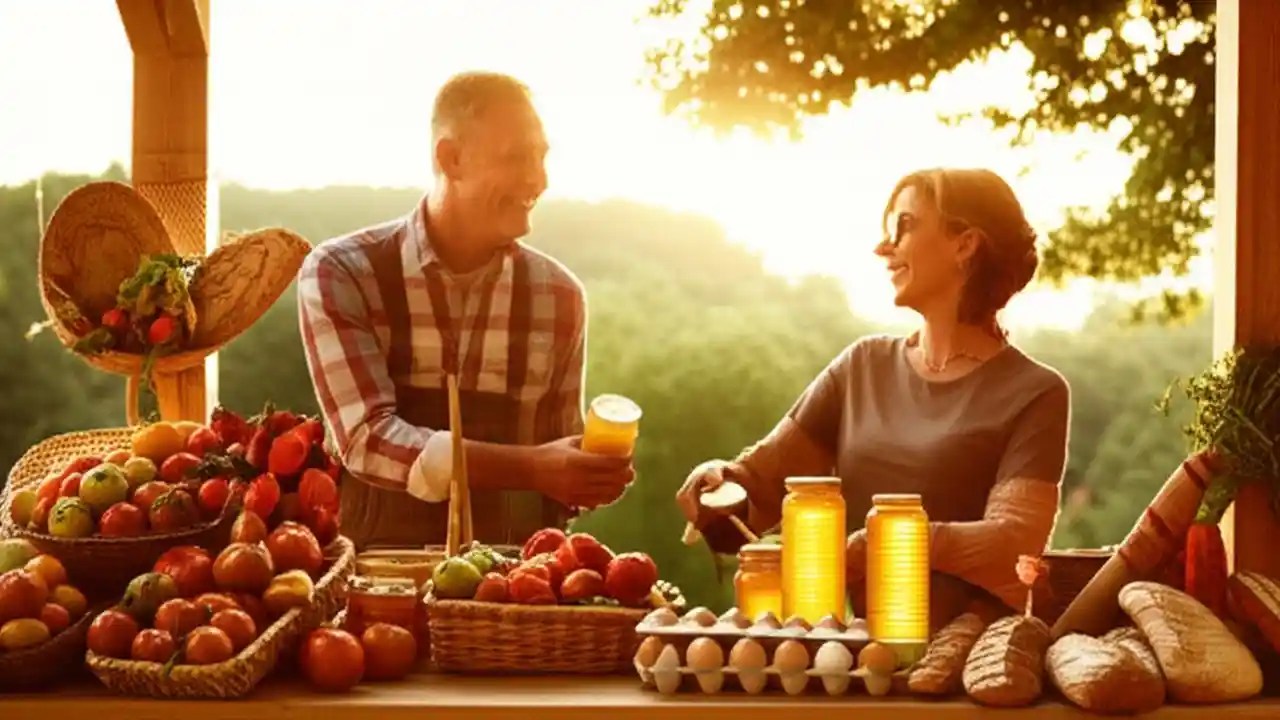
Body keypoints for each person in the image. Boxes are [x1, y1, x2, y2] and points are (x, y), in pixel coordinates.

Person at [677, 168, 1071, 628]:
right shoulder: (860, 367)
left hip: (971, 665)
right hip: (862, 657)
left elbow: (1013, 546)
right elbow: (760, 489)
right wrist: (718, 484)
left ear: (965, 245)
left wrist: (891, 539)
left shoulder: (1035, 393)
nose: (884, 248)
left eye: (904, 227)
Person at [298, 71, 635, 550]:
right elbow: (367, 440)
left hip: (515, 595)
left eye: (541, 157)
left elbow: (560, 470)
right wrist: (535, 468)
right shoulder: (344, 273)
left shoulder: (560, 297)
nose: (538, 179)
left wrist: (589, 474)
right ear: (450, 159)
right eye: (517, 157)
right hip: (379, 588)